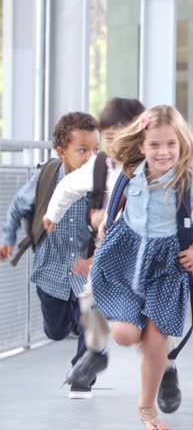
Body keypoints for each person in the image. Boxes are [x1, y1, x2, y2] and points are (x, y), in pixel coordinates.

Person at [87, 105, 193, 430]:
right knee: (126, 336)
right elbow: (123, 199)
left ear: (181, 145)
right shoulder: (132, 173)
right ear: (141, 146)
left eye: (171, 144)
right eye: (154, 144)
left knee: (154, 343)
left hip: (167, 265)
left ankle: (146, 408)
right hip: (127, 256)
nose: (163, 152)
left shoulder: (189, 185)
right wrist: (108, 222)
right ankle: (158, 359)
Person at [43, 98, 184, 412]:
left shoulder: (156, 167)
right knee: (90, 297)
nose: (115, 145)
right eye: (108, 138)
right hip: (110, 252)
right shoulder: (100, 166)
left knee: (156, 317)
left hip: (153, 254)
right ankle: (95, 352)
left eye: (123, 137)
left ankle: (167, 368)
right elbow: (67, 187)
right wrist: (53, 213)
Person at [0, 112, 100, 398]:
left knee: (91, 319)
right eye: (82, 150)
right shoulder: (46, 177)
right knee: (55, 330)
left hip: (87, 267)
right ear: (61, 152)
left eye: (96, 149)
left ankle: (82, 375)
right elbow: (18, 206)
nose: (91, 157)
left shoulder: (101, 180)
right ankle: (67, 323)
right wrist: (6, 238)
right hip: (52, 266)